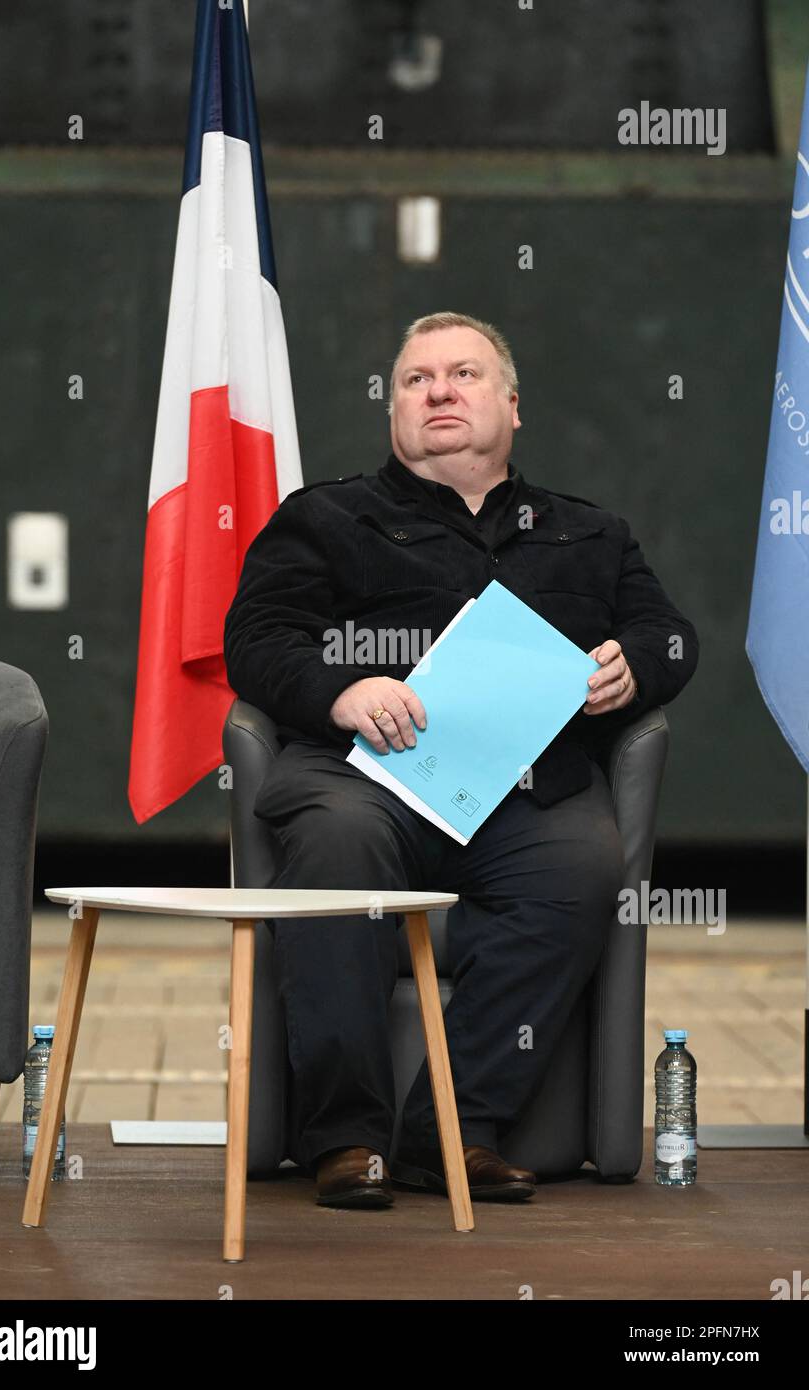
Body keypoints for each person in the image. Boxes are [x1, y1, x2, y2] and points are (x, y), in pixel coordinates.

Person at [224, 310, 699, 1209]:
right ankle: (346, 1140)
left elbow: (671, 638)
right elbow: (255, 639)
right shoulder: (323, 517)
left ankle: (450, 1131)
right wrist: (342, 689)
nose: (440, 390)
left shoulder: (592, 534)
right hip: (364, 774)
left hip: (528, 791)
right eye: (417, 379)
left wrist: (633, 669)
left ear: (512, 407)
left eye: (464, 374)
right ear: (393, 412)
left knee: (584, 864)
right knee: (336, 847)